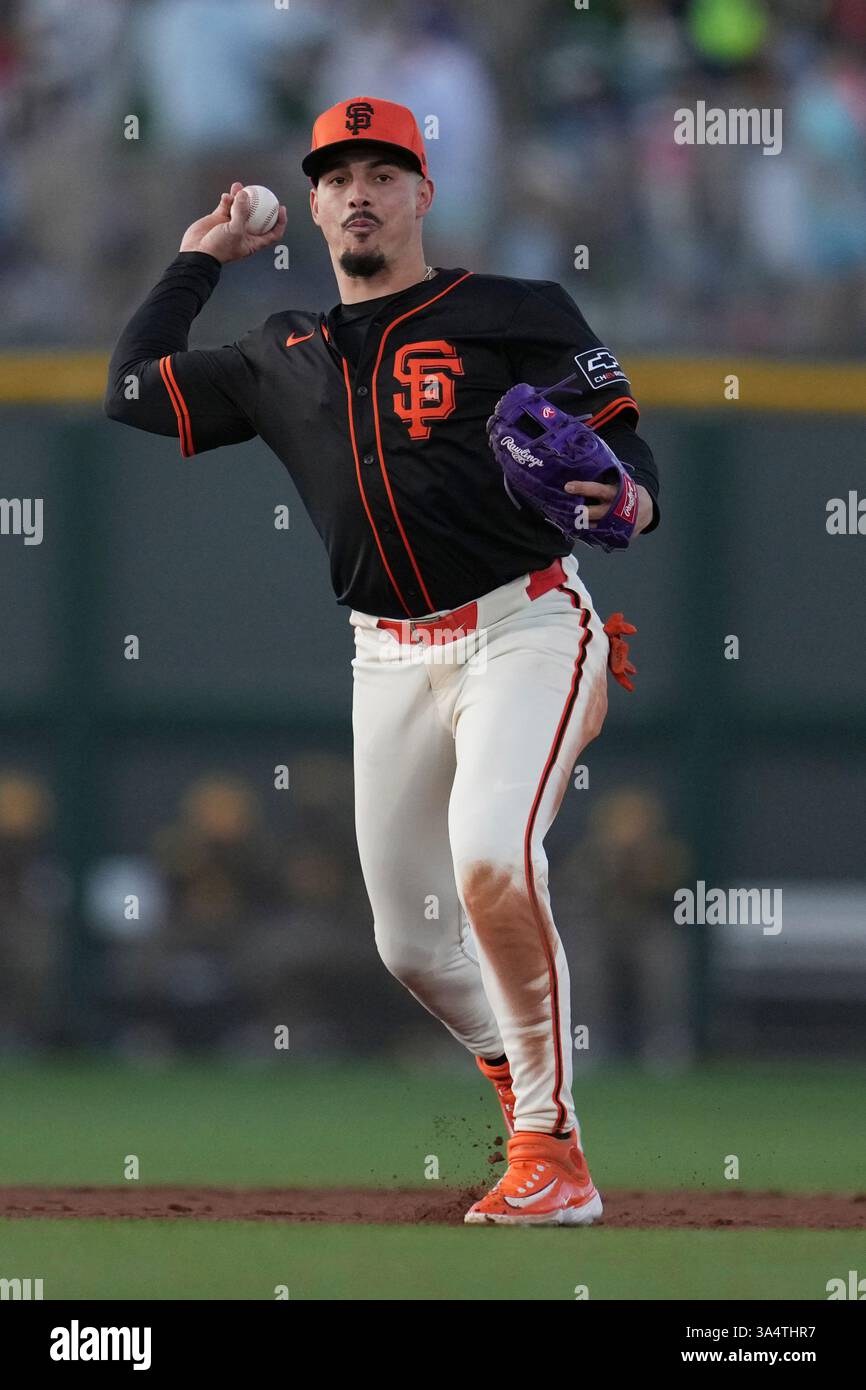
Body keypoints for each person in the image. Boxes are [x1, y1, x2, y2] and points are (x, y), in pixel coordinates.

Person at [104, 96, 661, 1226]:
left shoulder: (513, 309)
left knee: (492, 858)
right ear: (313, 207)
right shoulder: (281, 353)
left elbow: (622, 448)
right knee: (411, 945)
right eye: (337, 177)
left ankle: (550, 1152)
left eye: (383, 173)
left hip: (525, 625)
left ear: (422, 194)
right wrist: (198, 260)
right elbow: (129, 390)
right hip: (387, 657)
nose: (359, 193)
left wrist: (629, 495)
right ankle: (528, 1096)